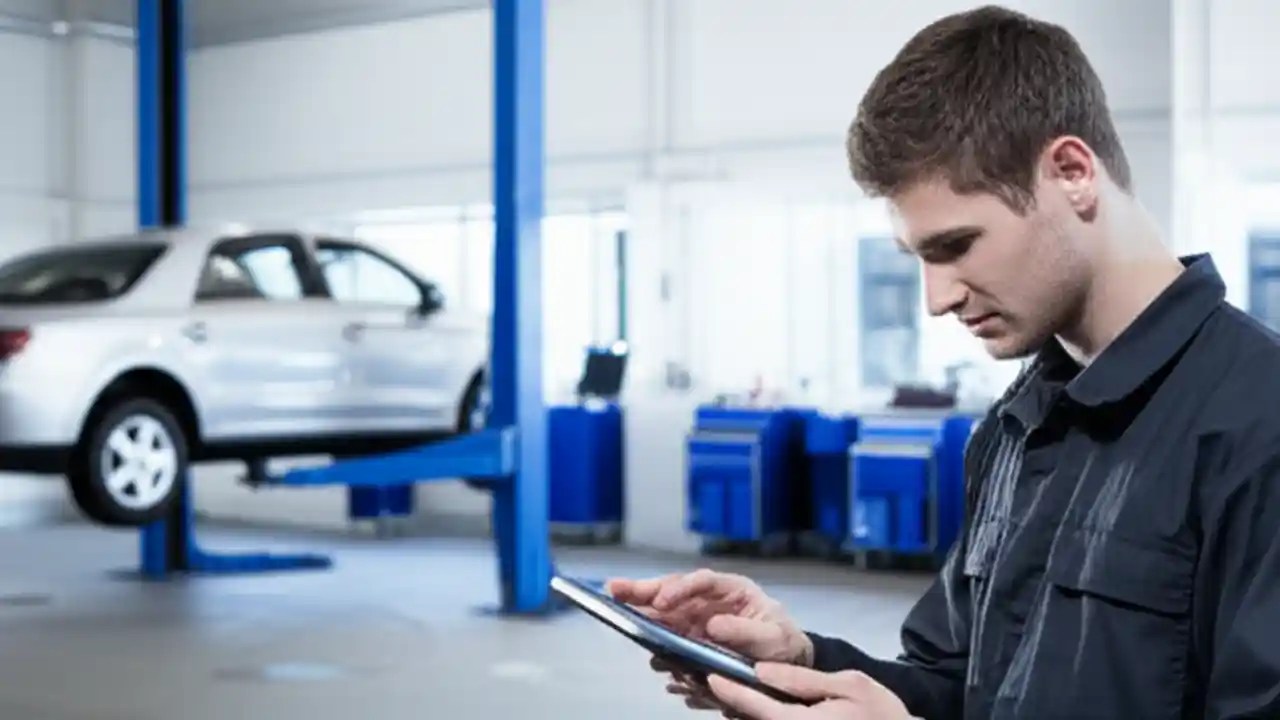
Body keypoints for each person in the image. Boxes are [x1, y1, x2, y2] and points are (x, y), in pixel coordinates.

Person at [607, 5, 1280, 719]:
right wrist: (803, 662)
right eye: (919, 257)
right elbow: (959, 687)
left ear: (1073, 173)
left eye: (956, 246)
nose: (936, 299)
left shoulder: (1257, 424)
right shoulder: (1013, 431)